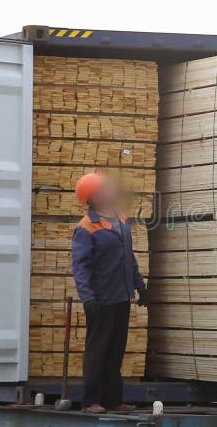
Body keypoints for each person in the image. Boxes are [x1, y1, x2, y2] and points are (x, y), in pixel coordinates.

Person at [71, 172, 149, 414]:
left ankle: (113, 400)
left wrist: (139, 285)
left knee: (116, 350)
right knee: (98, 351)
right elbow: (80, 267)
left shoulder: (120, 219)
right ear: (93, 197)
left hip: (121, 296)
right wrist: (88, 299)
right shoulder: (86, 228)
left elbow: (129, 257)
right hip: (101, 300)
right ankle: (91, 401)